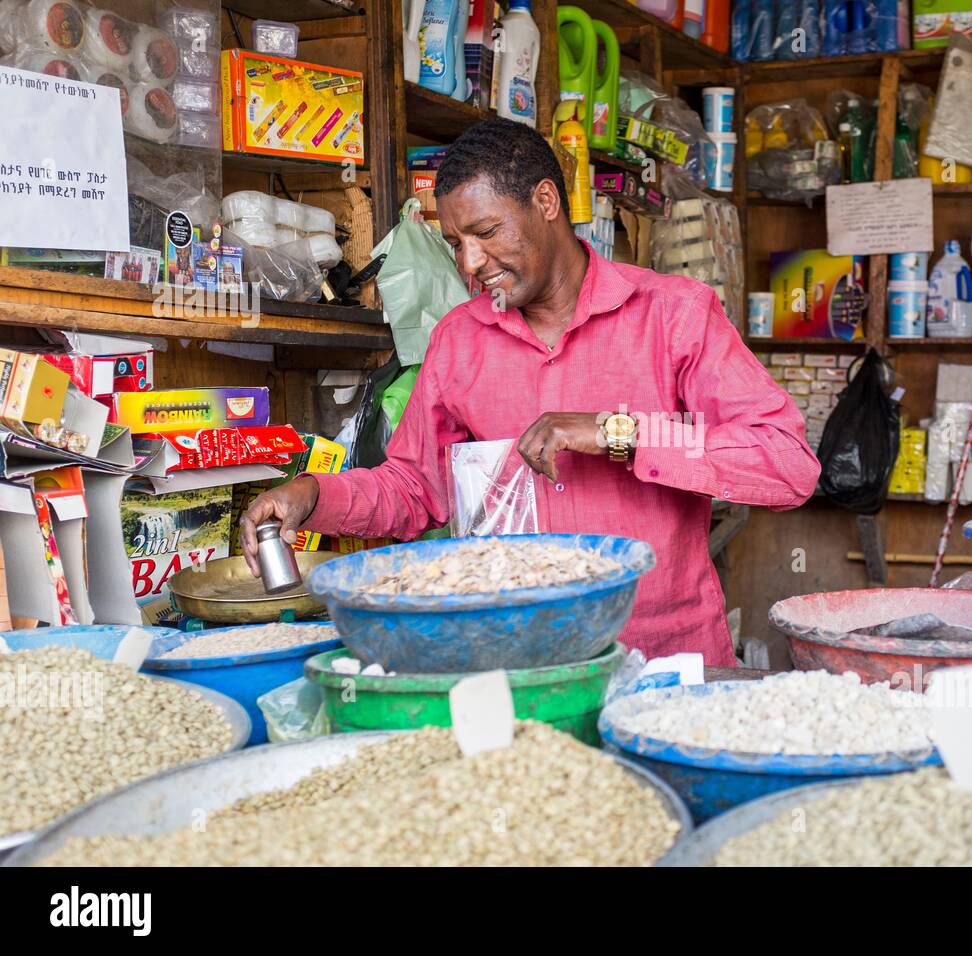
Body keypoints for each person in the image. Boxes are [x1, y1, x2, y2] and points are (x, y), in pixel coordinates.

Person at [240, 118, 819, 666]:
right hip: (517, 663)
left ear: (546, 201)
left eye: (486, 232)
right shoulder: (459, 342)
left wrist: (616, 433)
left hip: (663, 661)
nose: (470, 262)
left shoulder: (674, 315)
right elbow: (415, 490)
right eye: (455, 242)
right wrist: (314, 495)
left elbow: (785, 463)